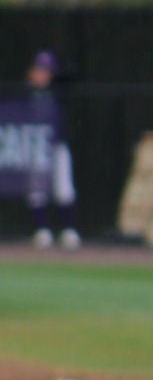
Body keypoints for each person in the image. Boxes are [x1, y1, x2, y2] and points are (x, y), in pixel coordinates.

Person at [24, 51, 80, 249]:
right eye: (39, 69)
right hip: (35, 147)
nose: (41, 74)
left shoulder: (57, 90)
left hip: (57, 145)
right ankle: (42, 231)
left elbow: (73, 73)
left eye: (46, 70)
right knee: (37, 190)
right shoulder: (25, 93)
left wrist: (53, 76)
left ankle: (69, 230)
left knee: (64, 187)